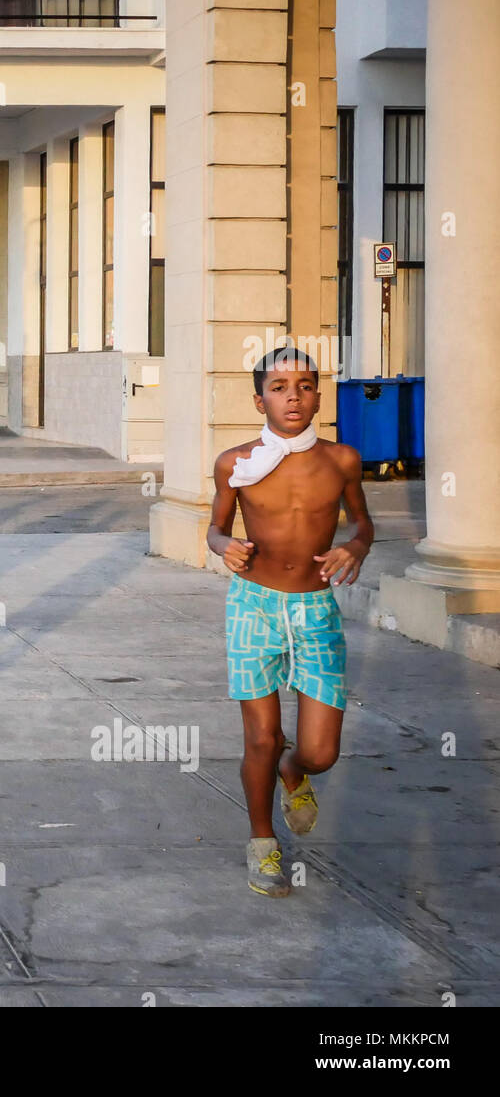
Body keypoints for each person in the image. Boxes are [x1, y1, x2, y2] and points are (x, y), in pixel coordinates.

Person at [207, 346, 374, 897]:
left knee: (321, 752)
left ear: (319, 396)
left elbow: (364, 525)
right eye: (279, 387)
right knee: (261, 736)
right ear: (260, 399)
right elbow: (216, 528)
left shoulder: (342, 460)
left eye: (304, 385)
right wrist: (223, 546)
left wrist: (355, 548)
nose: (293, 396)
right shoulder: (236, 463)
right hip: (253, 604)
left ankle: (294, 772)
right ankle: (263, 844)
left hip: (315, 607)